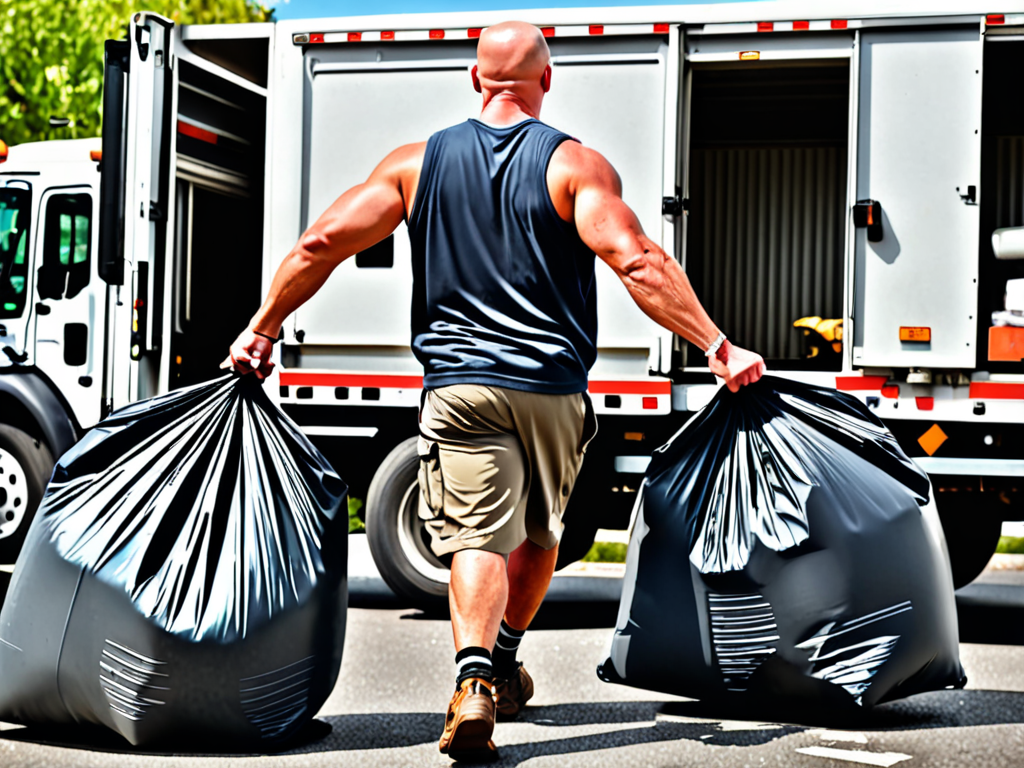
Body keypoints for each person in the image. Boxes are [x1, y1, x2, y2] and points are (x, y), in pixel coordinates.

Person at [227, 21, 765, 759]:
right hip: (552, 388)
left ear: (475, 80)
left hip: (461, 387)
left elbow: (320, 244)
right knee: (538, 532)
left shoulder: (415, 165)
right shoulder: (575, 166)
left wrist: (263, 327)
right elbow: (636, 259)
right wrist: (716, 344)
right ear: (546, 82)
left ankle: (474, 678)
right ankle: (506, 660)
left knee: (476, 535)